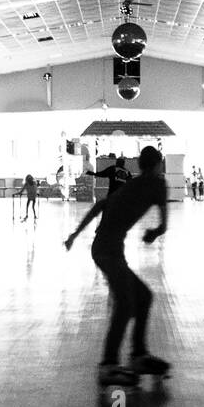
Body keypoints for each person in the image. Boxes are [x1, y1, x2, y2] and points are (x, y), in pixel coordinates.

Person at [64, 145, 169, 388]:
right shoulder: (157, 184)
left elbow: (100, 206)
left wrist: (74, 235)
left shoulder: (131, 184)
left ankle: (138, 355)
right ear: (158, 165)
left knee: (142, 297)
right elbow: (163, 226)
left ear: (140, 165)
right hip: (108, 251)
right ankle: (109, 365)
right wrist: (152, 233)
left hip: (104, 249)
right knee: (127, 302)